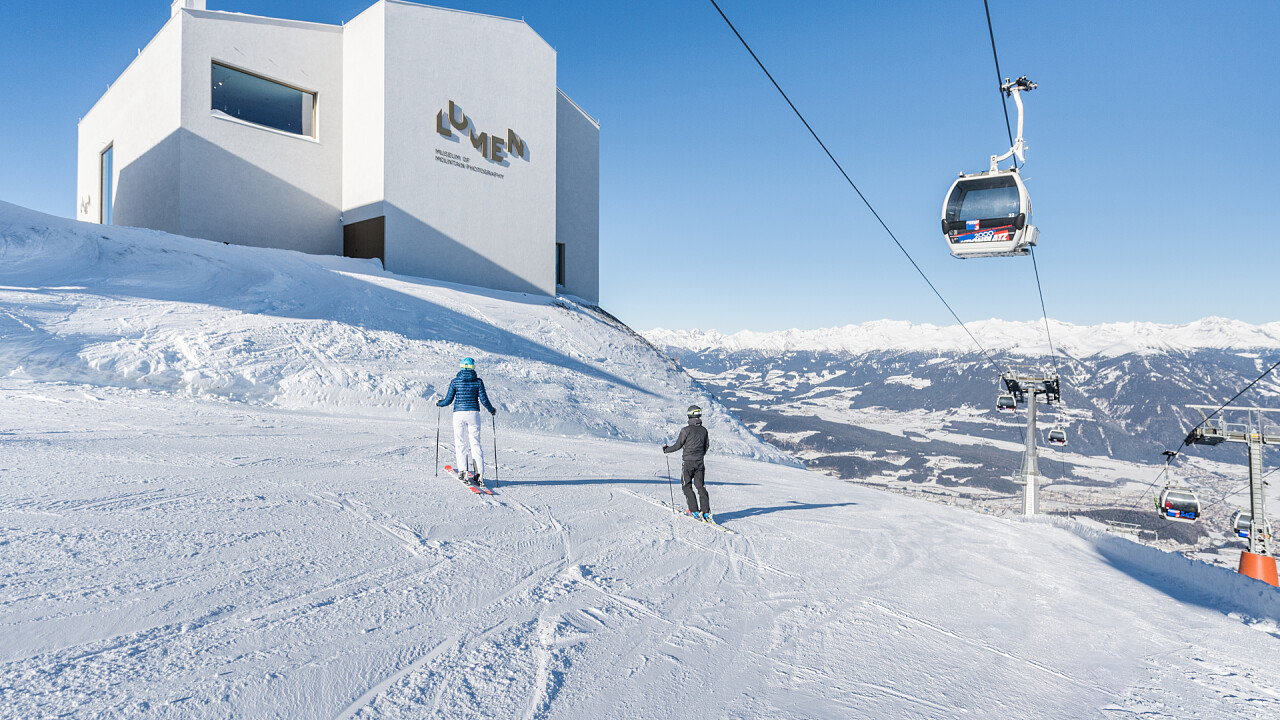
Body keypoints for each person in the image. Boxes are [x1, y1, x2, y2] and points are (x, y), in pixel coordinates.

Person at [437, 357, 497, 487]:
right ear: (473, 368)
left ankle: (463, 472)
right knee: (475, 442)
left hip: (458, 414)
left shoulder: (455, 382)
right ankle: (479, 475)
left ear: (461, 367)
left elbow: (448, 400)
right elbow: (484, 400)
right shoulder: (478, 382)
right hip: (473, 414)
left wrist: (439, 403)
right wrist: (492, 410)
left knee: (460, 443)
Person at [663, 405, 712, 521]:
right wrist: (699, 455)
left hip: (688, 462)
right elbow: (706, 446)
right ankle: (705, 513)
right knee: (700, 486)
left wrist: (666, 449)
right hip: (700, 462)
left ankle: (694, 511)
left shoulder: (686, 430)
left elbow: (678, 445)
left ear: (690, 415)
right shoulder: (704, 430)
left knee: (686, 485)